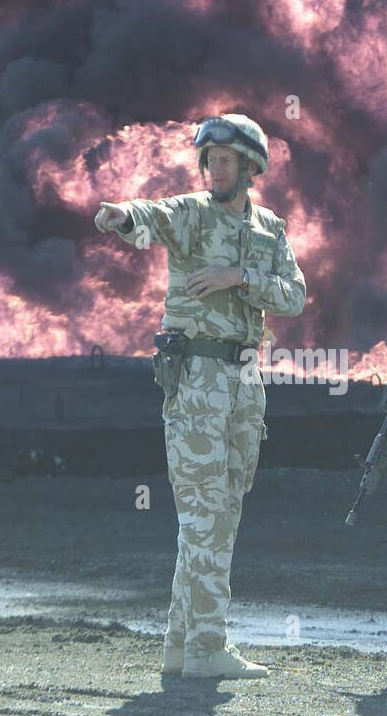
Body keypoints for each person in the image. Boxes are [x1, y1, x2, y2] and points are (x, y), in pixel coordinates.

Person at [94, 114, 306, 679]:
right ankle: (207, 647)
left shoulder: (269, 228)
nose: (216, 169)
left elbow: (294, 296)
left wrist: (240, 277)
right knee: (204, 515)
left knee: (221, 513)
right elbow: (151, 215)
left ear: (251, 167)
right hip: (198, 380)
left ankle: (181, 644)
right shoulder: (192, 213)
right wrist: (122, 216)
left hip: (245, 382)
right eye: (210, 160)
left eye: (227, 160)